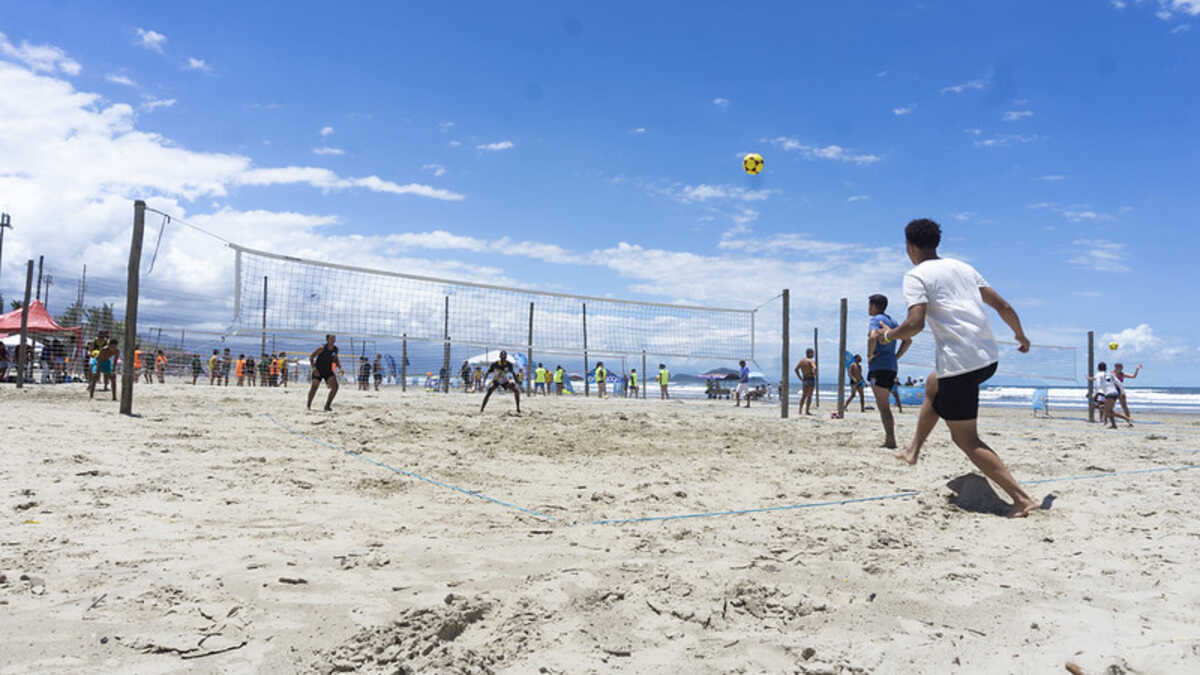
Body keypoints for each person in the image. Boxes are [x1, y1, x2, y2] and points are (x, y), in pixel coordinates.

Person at [875, 218, 1039, 518]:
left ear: (909, 247)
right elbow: (1004, 307)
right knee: (933, 384)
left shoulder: (915, 276)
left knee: (965, 438)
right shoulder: (963, 268)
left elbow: (914, 324)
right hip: (988, 357)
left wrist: (885, 336)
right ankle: (912, 451)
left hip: (961, 364)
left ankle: (1021, 498)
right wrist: (1020, 335)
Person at [866, 294, 912, 449]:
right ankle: (890, 439)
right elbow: (908, 339)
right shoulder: (892, 321)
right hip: (892, 367)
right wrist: (896, 356)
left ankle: (890, 440)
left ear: (873, 305)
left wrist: (869, 355)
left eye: (869, 305)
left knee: (883, 407)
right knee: (885, 406)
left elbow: (872, 337)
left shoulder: (876, 319)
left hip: (879, 366)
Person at [1088, 362, 1132, 429]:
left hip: (1109, 394)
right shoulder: (1109, 374)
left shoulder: (1098, 374)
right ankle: (1114, 425)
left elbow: (1098, 385)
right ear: (1105, 368)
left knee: (1107, 411)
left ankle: (1127, 418)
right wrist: (1122, 392)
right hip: (1115, 393)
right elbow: (1118, 382)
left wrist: (1095, 395)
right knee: (1108, 410)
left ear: (1098, 368)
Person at [480, 350, 521, 414]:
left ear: (506, 357)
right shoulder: (495, 364)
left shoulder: (508, 364)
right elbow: (487, 372)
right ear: (500, 356)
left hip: (504, 380)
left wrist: (517, 382)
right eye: (502, 355)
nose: (503, 357)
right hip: (496, 380)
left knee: (516, 391)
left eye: (504, 356)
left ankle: (518, 408)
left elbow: (513, 373)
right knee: (489, 392)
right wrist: (484, 382)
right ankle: (482, 409)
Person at [307, 335, 341, 411]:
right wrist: (314, 369)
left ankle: (327, 405)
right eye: (331, 339)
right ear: (327, 340)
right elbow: (311, 357)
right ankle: (308, 405)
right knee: (314, 388)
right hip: (318, 370)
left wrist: (340, 368)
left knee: (335, 387)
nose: (333, 340)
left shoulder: (335, 349)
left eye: (334, 339)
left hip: (328, 371)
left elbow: (335, 359)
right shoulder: (321, 348)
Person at [793, 348, 817, 415]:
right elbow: (814, 367)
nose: (813, 355)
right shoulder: (811, 361)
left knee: (804, 396)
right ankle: (807, 411)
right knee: (809, 396)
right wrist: (814, 372)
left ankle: (800, 410)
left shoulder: (802, 361)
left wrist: (800, 378)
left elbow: (796, 369)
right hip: (811, 378)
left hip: (805, 379)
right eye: (812, 353)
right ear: (809, 353)